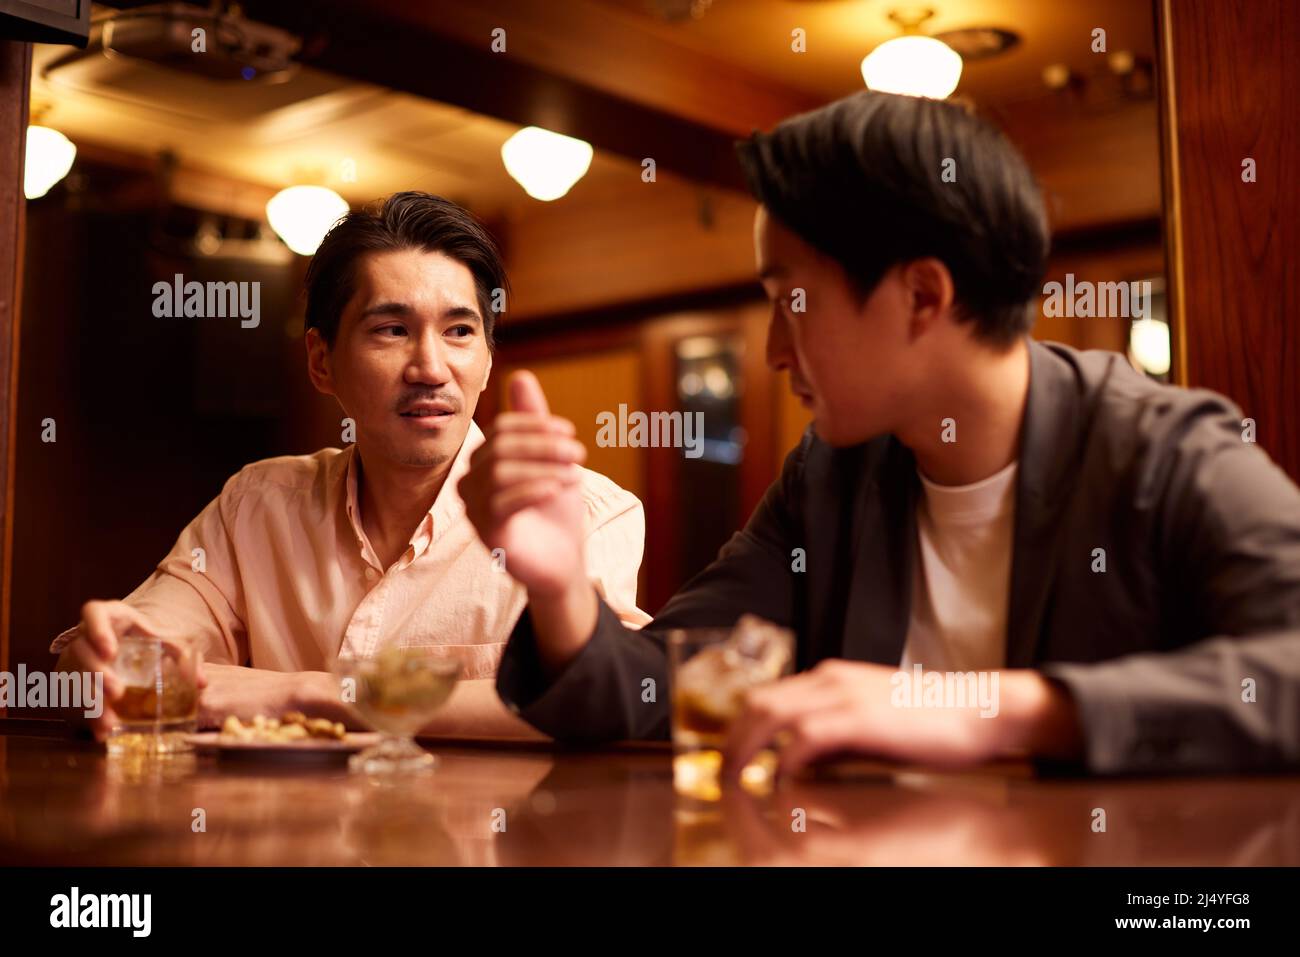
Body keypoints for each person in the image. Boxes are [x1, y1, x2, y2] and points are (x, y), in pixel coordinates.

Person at [459, 91, 1300, 776]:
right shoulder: (834, 475)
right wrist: (563, 587)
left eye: (792, 301)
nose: (773, 351)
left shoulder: (1163, 453)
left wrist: (998, 707)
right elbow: (664, 684)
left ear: (924, 296)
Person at [52, 191, 650, 741]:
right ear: (321, 361)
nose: (431, 368)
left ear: (489, 360)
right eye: (392, 330)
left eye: (460, 331)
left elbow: (607, 702)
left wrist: (303, 692)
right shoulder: (258, 504)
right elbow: (136, 649)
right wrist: (104, 655)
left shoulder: (583, 514)